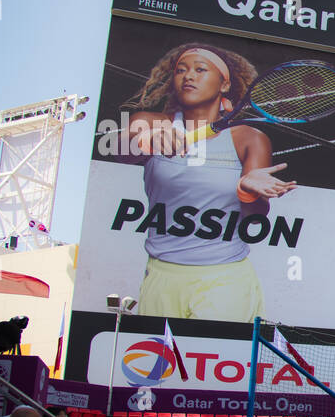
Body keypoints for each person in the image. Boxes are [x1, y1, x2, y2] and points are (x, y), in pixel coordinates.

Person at [116, 43, 297, 321]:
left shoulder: (249, 138)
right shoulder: (149, 122)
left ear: (224, 84)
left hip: (225, 277)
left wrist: (247, 190)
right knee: (161, 366)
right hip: (162, 275)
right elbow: (119, 151)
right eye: (181, 70)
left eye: (200, 70)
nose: (189, 76)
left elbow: (257, 217)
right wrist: (144, 141)